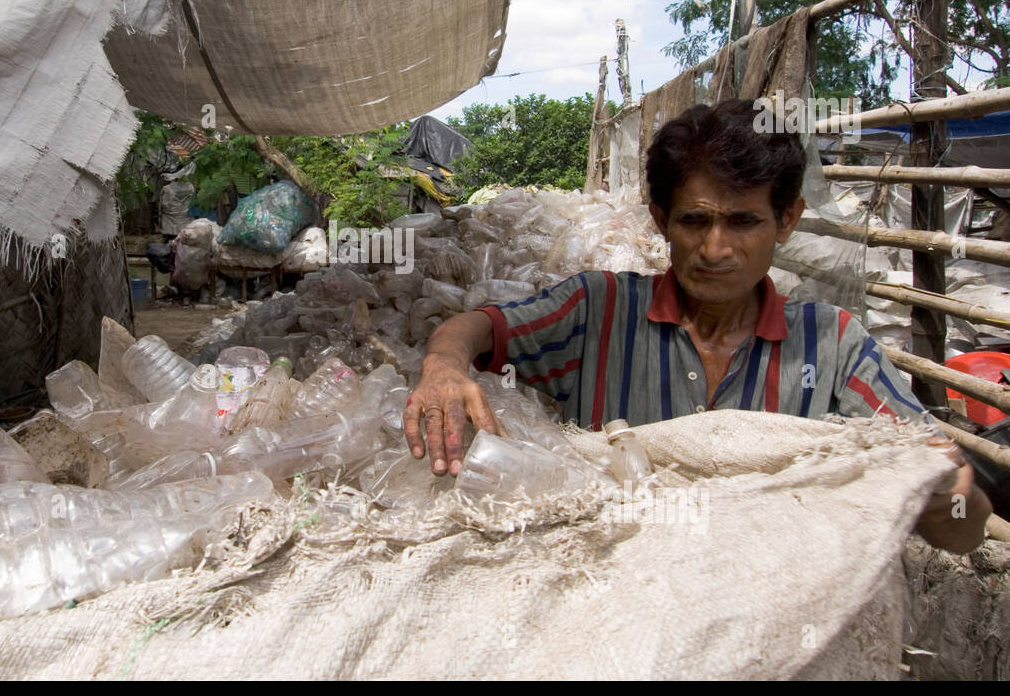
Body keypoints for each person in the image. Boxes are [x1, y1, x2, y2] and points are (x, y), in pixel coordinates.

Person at [405, 99, 991, 553]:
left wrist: (948, 499)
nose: (716, 249)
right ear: (661, 220)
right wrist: (444, 367)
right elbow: (475, 328)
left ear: (786, 220)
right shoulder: (598, 309)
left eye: (743, 222)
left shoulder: (834, 345)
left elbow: (956, 520)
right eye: (694, 221)